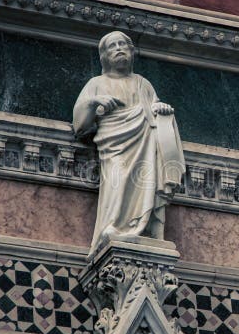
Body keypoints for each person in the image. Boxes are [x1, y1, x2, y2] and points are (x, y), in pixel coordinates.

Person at [73, 31, 185, 259]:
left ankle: (139, 225)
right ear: (104, 56)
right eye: (113, 46)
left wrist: (160, 108)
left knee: (142, 180)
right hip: (114, 143)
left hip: (143, 144)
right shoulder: (97, 83)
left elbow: (153, 108)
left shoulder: (143, 84)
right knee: (117, 180)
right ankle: (114, 224)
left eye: (124, 44)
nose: (119, 49)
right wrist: (95, 102)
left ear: (132, 51)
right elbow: (80, 125)